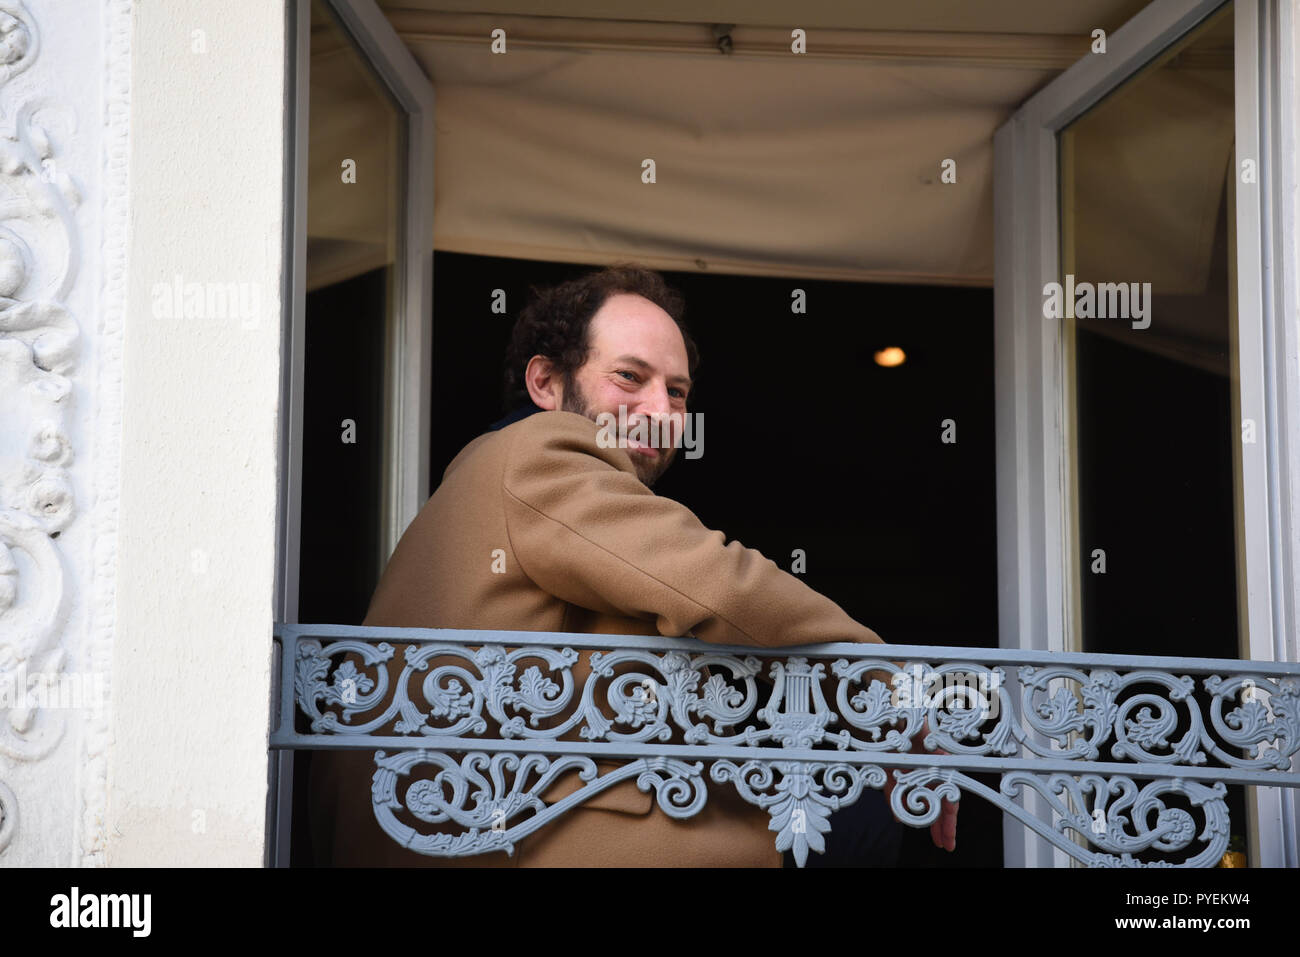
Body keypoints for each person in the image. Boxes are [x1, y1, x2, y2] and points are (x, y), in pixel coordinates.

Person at [308, 263, 957, 866]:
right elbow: (715, 582)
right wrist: (894, 687)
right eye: (629, 376)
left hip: (470, 827)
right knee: (865, 811)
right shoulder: (537, 450)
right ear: (545, 382)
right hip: (510, 838)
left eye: (676, 391)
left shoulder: (488, 481)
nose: (660, 410)